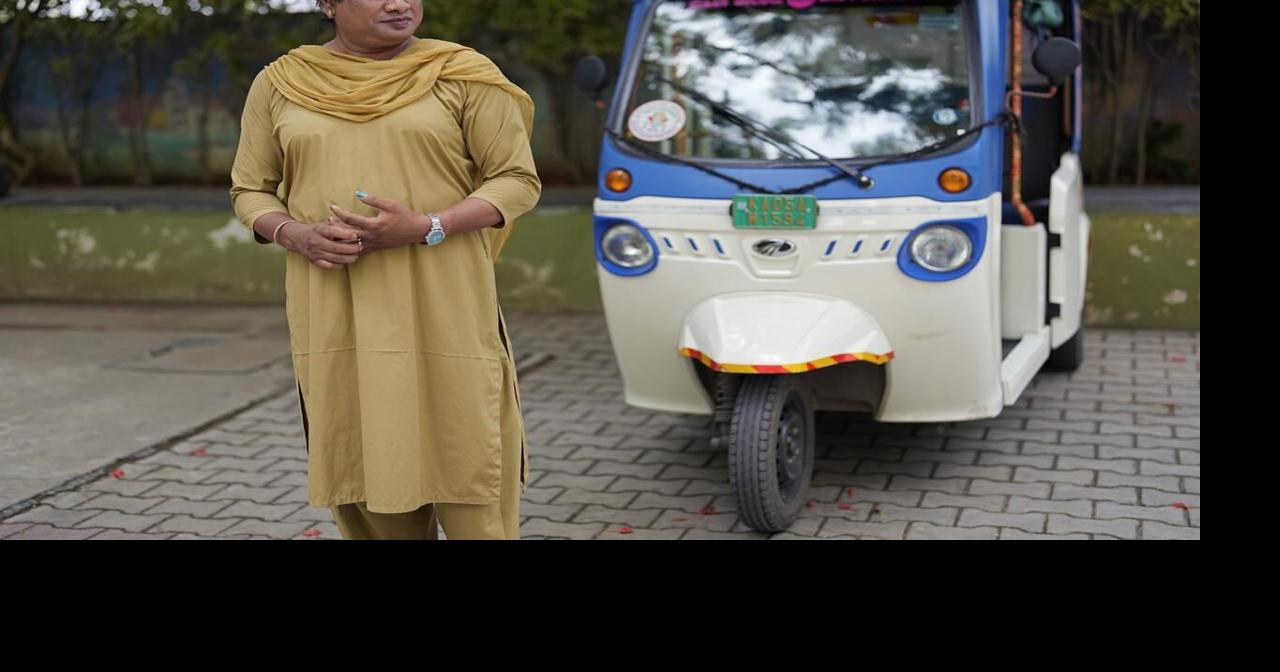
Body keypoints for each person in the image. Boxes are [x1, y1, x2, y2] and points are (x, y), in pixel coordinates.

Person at [229, 0, 541, 540]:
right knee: (365, 468)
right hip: (337, 309)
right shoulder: (281, 83)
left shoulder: (460, 73)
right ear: (328, 4)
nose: (400, 3)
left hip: (444, 305)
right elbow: (250, 190)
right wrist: (296, 234)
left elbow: (516, 180)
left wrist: (427, 226)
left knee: (470, 467)